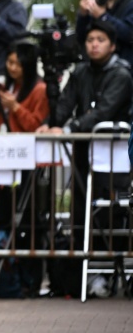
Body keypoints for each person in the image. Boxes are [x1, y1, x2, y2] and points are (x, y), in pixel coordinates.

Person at [36, 20, 133, 223]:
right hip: (83, 148)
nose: (94, 44)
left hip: (111, 151)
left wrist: (69, 129)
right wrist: (49, 124)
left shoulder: (122, 74)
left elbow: (103, 112)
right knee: (80, 202)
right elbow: (65, 103)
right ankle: (79, 240)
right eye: (90, 40)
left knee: (108, 207)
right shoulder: (80, 71)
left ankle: (107, 242)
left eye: (100, 40)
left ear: (112, 46)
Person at [76, 0, 133, 69]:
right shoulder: (97, 1)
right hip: (96, 67)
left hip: (126, 67)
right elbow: (82, 36)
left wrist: (103, 16)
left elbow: (129, 34)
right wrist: (83, 14)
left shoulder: (130, 3)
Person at [0, 42, 49, 133]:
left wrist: (15, 107)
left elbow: (36, 127)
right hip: (0, 139)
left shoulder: (40, 89)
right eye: (10, 62)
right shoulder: (4, 85)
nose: (13, 68)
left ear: (28, 66)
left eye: (19, 64)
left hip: (23, 141)